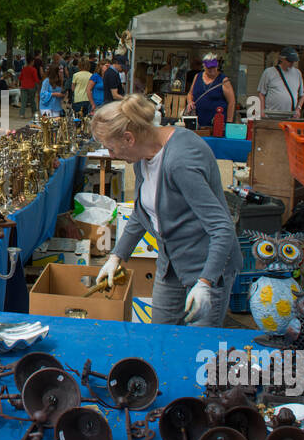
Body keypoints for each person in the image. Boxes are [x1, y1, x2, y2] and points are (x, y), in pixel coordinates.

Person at [92, 95, 242, 327]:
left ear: (129, 138)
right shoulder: (144, 156)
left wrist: (205, 282)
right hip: (171, 266)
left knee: (197, 349)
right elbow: (142, 213)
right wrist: (116, 256)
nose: (111, 156)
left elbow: (222, 228)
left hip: (206, 267)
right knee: (160, 340)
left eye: (111, 148)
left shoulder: (180, 161)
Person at [256, 46, 304, 119]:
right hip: (271, 115)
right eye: (289, 61)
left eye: (294, 61)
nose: (292, 63)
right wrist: (262, 111)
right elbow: (261, 93)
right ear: (282, 59)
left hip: (290, 116)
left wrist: (298, 109)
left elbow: (302, 95)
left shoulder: (297, 73)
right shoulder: (269, 72)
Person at [188, 53, 236, 125]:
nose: (212, 69)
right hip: (197, 121)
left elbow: (232, 102)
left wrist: (229, 122)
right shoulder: (197, 76)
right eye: (209, 67)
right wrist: (190, 101)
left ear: (217, 66)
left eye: (214, 67)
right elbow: (190, 93)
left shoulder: (223, 80)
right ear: (204, 66)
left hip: (217, 123)